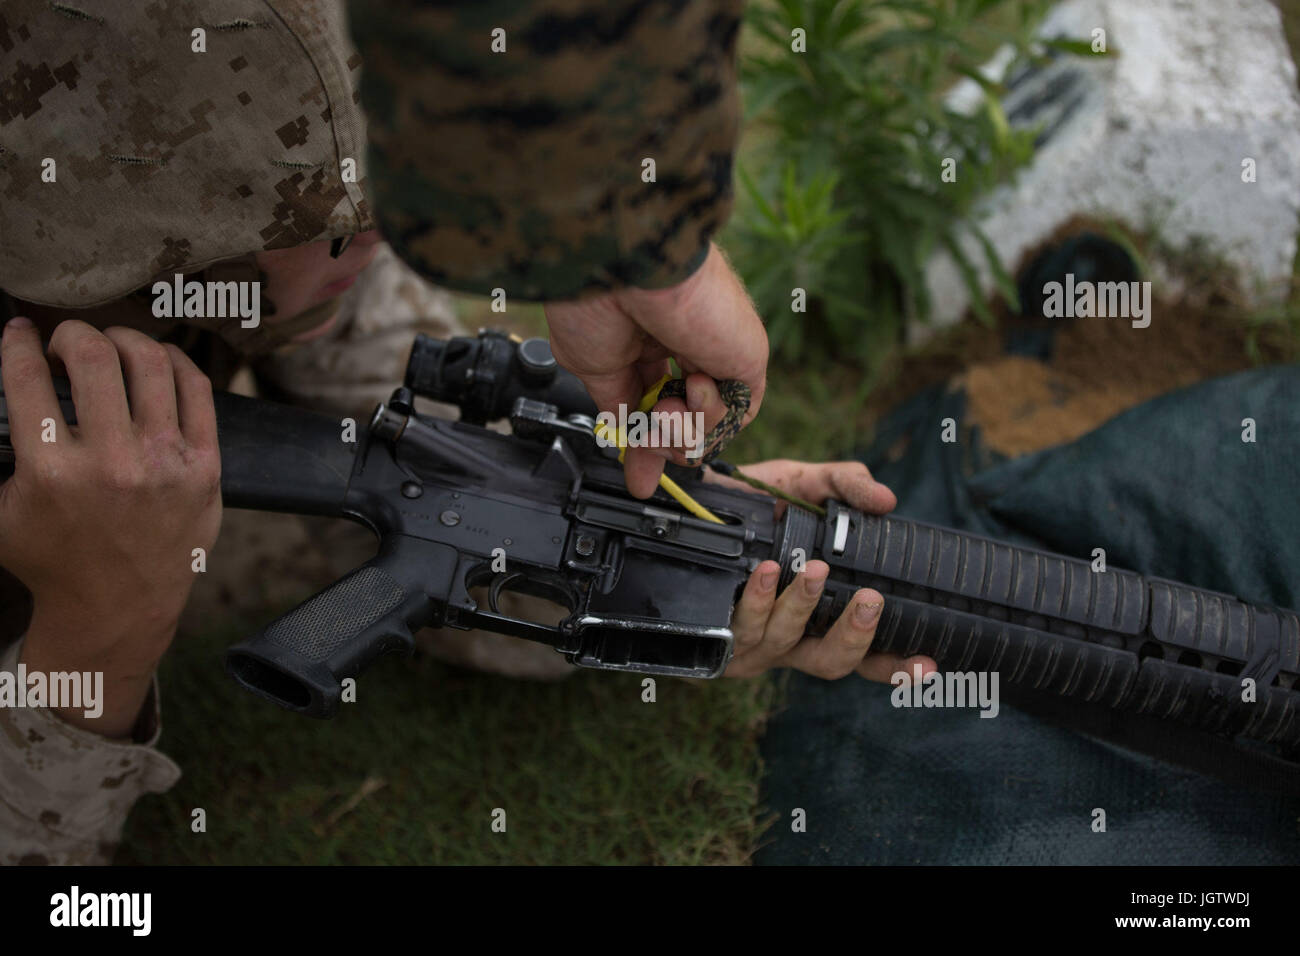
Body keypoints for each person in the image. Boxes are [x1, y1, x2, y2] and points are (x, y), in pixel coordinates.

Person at [0, 0, 931, 865]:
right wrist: (100, 632)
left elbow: (466, 504)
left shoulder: (299, 257)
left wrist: (704, 547)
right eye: (329, 217)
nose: (387, 237)